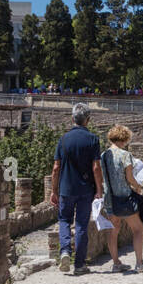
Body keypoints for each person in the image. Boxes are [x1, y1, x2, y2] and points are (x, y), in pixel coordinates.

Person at [49, 103, 104, 274]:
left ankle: (65, 251)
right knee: (81, 224)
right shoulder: (93, 140)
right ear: (88, 120)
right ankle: (79, 264)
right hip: (85, 189)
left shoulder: (63, 139)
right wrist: (99, 189)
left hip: (66, 188)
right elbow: (96, 167)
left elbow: (56, 168)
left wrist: (53, 190)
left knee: (64, 220)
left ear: (72, 119)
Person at [101, 124, 143, 272]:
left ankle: (116, 263)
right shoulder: (125, 155)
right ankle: (140, 262)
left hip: (109, 199)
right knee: (138, 229)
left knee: (113, 230)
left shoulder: (103, 156)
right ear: (124, 138)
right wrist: (138, 186)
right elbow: (129, 177)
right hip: (124, 198)